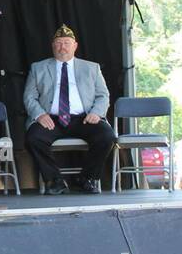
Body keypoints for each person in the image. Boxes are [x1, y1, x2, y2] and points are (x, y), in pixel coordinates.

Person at [23, 25, 116, 195]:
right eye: (58, 43)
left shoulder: (91, 68)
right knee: (33, 138)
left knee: (107, 136)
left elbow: (103, 95)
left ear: (75, 46)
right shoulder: (38, 68)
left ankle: (86, 178)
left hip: (84, 118)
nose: (62, 47)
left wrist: (96, 112)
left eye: (67, 43)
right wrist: (40, 115)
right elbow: (29, 97)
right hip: (51, 119)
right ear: (53, 46)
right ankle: (55, 181)